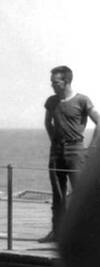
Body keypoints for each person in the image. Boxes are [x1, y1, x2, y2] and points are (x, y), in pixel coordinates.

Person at [40, 66, 100, 243]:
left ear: (66, 82)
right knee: (58, 195)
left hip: (76, 151)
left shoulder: (82, 100)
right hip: (56, 151)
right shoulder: (51, 101)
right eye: (51, 82)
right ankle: (57, 232)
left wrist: (91, 148)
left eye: (55, 82)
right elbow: (47, 123)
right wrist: (54, 141)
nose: (52, 85)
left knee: (80, 196)